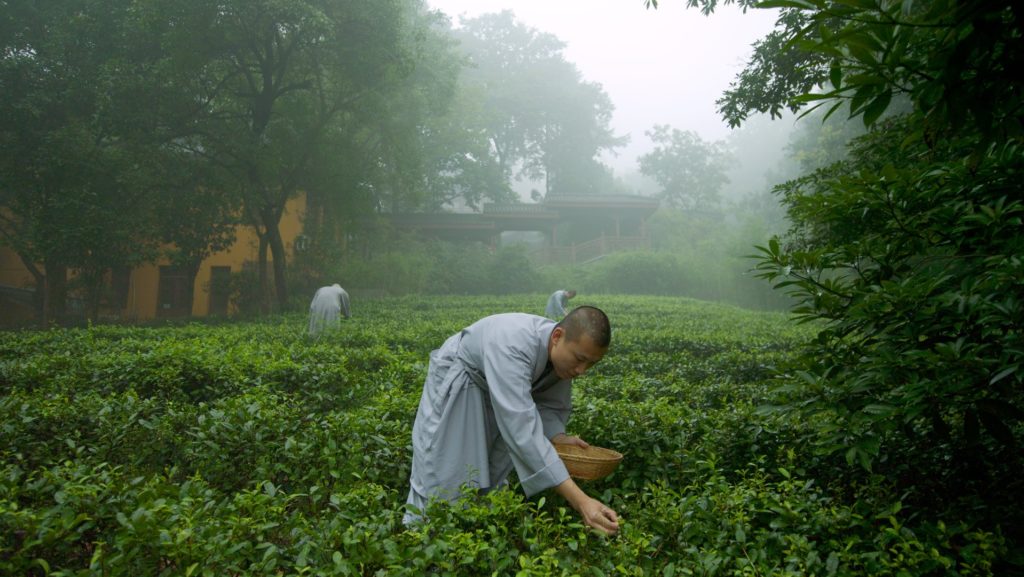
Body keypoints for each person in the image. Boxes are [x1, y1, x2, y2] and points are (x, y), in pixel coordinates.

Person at [404, 306, 619, 535]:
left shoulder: (560, 359)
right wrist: (581, 501)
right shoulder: (512, 345)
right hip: (464, 386)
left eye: (591, 364)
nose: (582, 371)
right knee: (444, 471)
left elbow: (546, 406)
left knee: (488, 474)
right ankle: (420, 540)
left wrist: (559, 437)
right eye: (580, 359)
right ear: (557, 337)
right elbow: (522, 428)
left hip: (495, 394)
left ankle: (469, 538)